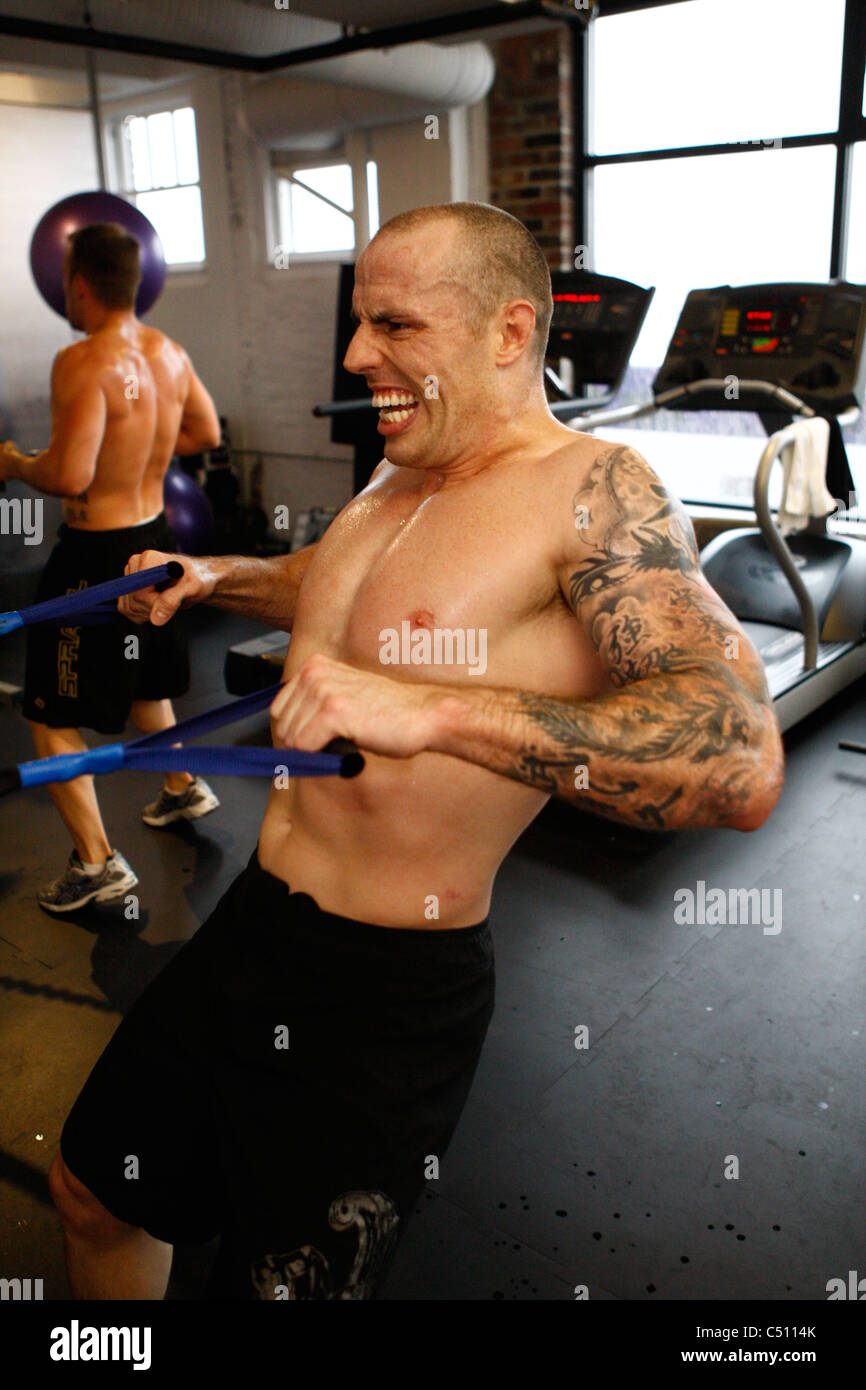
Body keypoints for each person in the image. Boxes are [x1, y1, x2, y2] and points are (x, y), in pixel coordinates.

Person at [46, 203, 785, 1300]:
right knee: (93, 1186)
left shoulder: (594, 493)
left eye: (393, 324)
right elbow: (349, 587)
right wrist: (222, 576)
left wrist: (435, 711)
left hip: (384, 990)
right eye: (359, 321)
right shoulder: (399, 475)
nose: (355, 355)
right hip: (254, 923)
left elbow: (737, 757)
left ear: (505, 331)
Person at [0, 223, 222, 913]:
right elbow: (204, 435)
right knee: (145, 681)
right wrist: (142, 456)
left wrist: (12, 462)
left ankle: (95, 866)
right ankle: (184, 786)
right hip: (155, 541)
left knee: (48, 711)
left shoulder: (83, 360)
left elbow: (69, 474)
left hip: (93, 559)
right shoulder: (171, 353)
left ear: (80, 284)